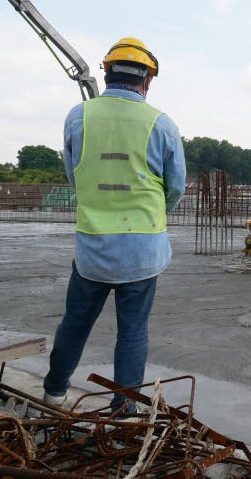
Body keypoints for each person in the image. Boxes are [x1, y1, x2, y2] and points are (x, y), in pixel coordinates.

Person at [43, 37, 186, 413]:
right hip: (142, 249)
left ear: (106, 73)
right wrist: (151, 212)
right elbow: (175, 188)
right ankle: (124, 409)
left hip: (92, 246)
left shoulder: (78, 116)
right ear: (148, 80)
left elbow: (75, 177)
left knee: (75, 322)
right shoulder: (162, 124)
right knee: (133, 331)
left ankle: (54, 392)